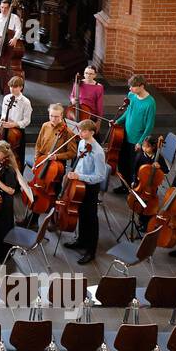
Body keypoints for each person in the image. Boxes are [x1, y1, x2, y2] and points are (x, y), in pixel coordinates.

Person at [63, 120, 108, 265]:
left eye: (83, 131)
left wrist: (79, 176)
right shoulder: (82, 143)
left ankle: (91, 251)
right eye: (80, 130)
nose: (80, 133)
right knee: (80, 213)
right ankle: (81, 241)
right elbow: (80, 162)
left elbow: (100, 176)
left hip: (90, 187)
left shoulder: (99, 152)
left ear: (92, 133)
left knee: (91, 219)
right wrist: (73, 173)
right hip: (78, 184)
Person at [112, 75, 156, 190]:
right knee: (122, 162)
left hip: (136, 140)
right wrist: (118, 121)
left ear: (141, 86)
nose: (130, 89)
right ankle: (124, 186)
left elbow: (149, 125)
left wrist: (141, 142)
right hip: (124, 135)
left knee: (133, 166)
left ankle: (133, 188)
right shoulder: (132, 95)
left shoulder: (150, 103)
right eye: (129, 86)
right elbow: (128, 112)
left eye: (133, 87)